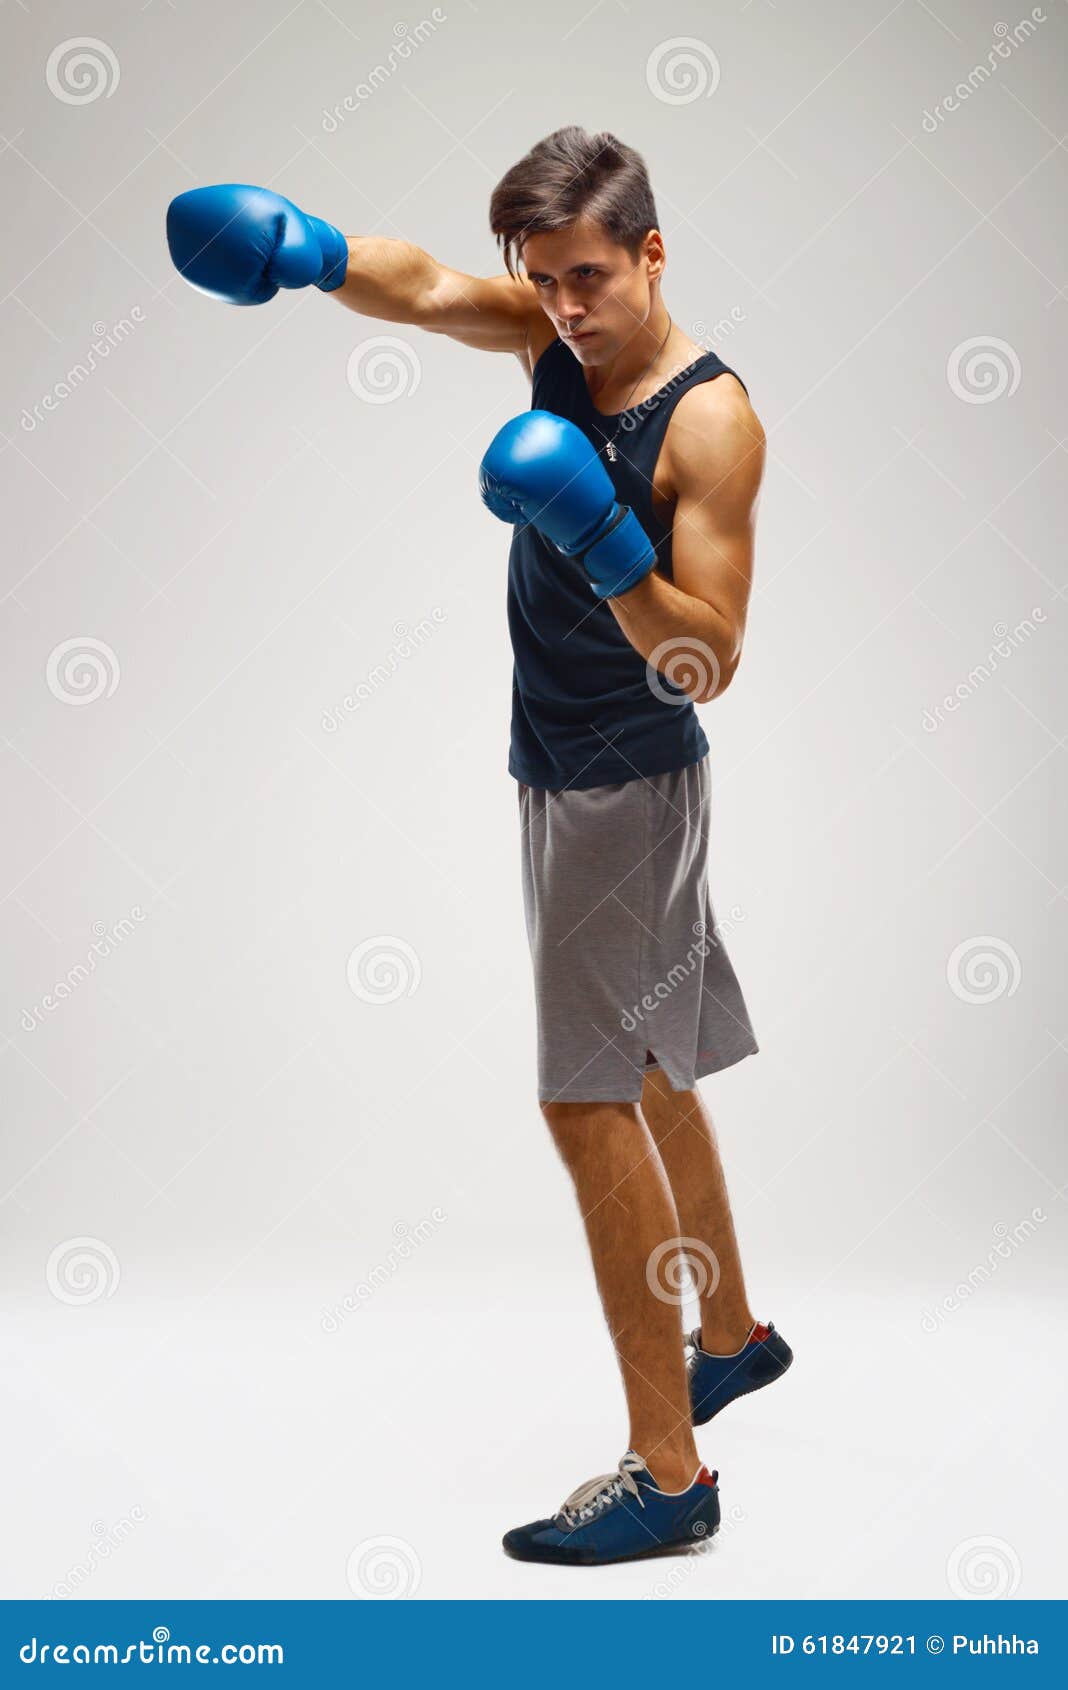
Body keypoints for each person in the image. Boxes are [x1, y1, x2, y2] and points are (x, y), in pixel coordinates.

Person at [166, 126, 793, 1568]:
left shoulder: (711, 421)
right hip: (568, 760)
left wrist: (604, 542)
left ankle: (669, 1472)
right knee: (643, 1062)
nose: (563, 307)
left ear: (652, 250)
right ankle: (735, 1335)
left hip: (624, 779)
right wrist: (316, 253)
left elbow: (716, 657)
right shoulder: (548, 332)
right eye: (545, 280)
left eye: (590, 277)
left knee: (585, 1103)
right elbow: (427, 288)